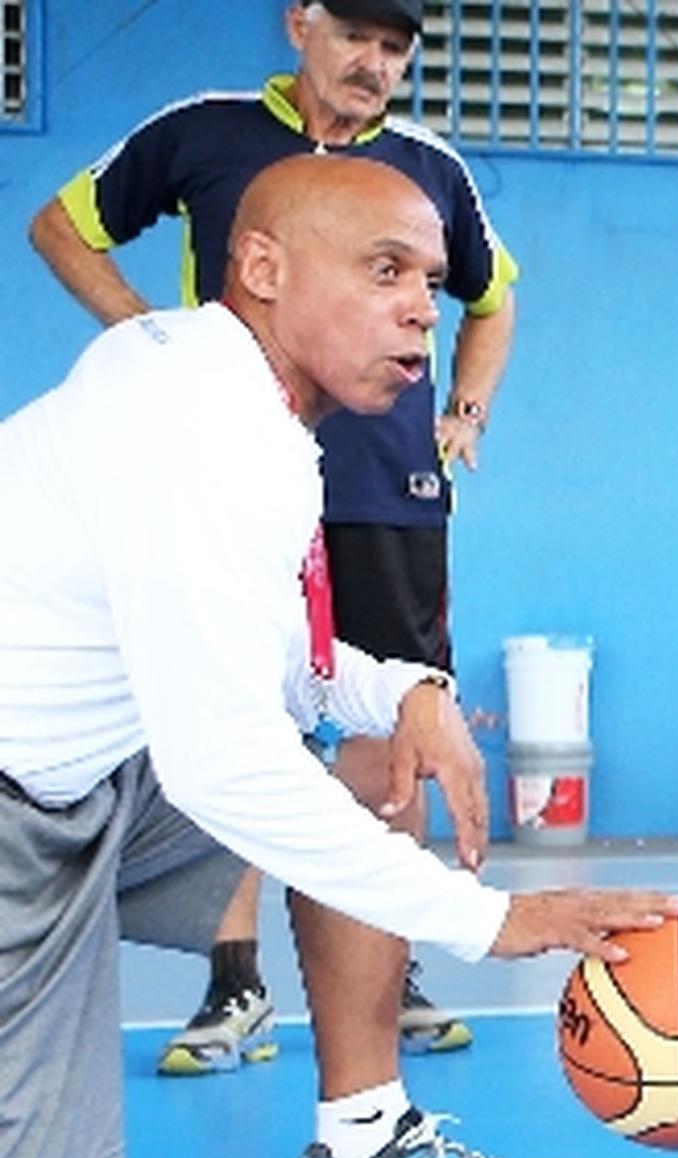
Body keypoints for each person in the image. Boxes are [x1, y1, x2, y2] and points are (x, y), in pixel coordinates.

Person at [0, 155, 678, 1158]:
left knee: (371, 774)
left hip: (85, 777)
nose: (422, 306)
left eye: (432, 281)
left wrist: (404, 686)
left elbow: (273, 665)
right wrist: (495, 919)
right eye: (384, 270)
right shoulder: (194, 427)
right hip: (15, 817)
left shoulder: (246, 408)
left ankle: (366, 1151)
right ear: (261, 266)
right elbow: (224, 763)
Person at [26, 0, 515, 1072]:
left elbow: (496, 297)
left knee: (368, 729)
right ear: (301, 23)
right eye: (357, 35)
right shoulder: (205, 137)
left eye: (397, 49)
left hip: (382, 491)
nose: (375, 64)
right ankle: (236, 977)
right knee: (243, 739)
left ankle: (382, 1017)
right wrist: (150, 336)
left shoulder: (427, 169)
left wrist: (465, 415)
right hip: (217, 483)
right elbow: (61, 222)